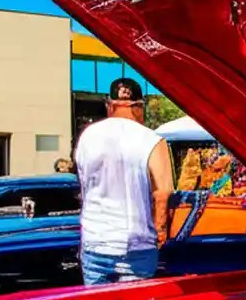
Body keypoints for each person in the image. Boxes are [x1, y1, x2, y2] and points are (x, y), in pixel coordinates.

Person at [74, 78, 174, 285]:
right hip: (137, 246)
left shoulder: (87, 137)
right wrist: (161, 236)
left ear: (109, 105)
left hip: (95, 242)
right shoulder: (152, 140)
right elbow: (164, 194)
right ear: (139, 107)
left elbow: (84, 187)